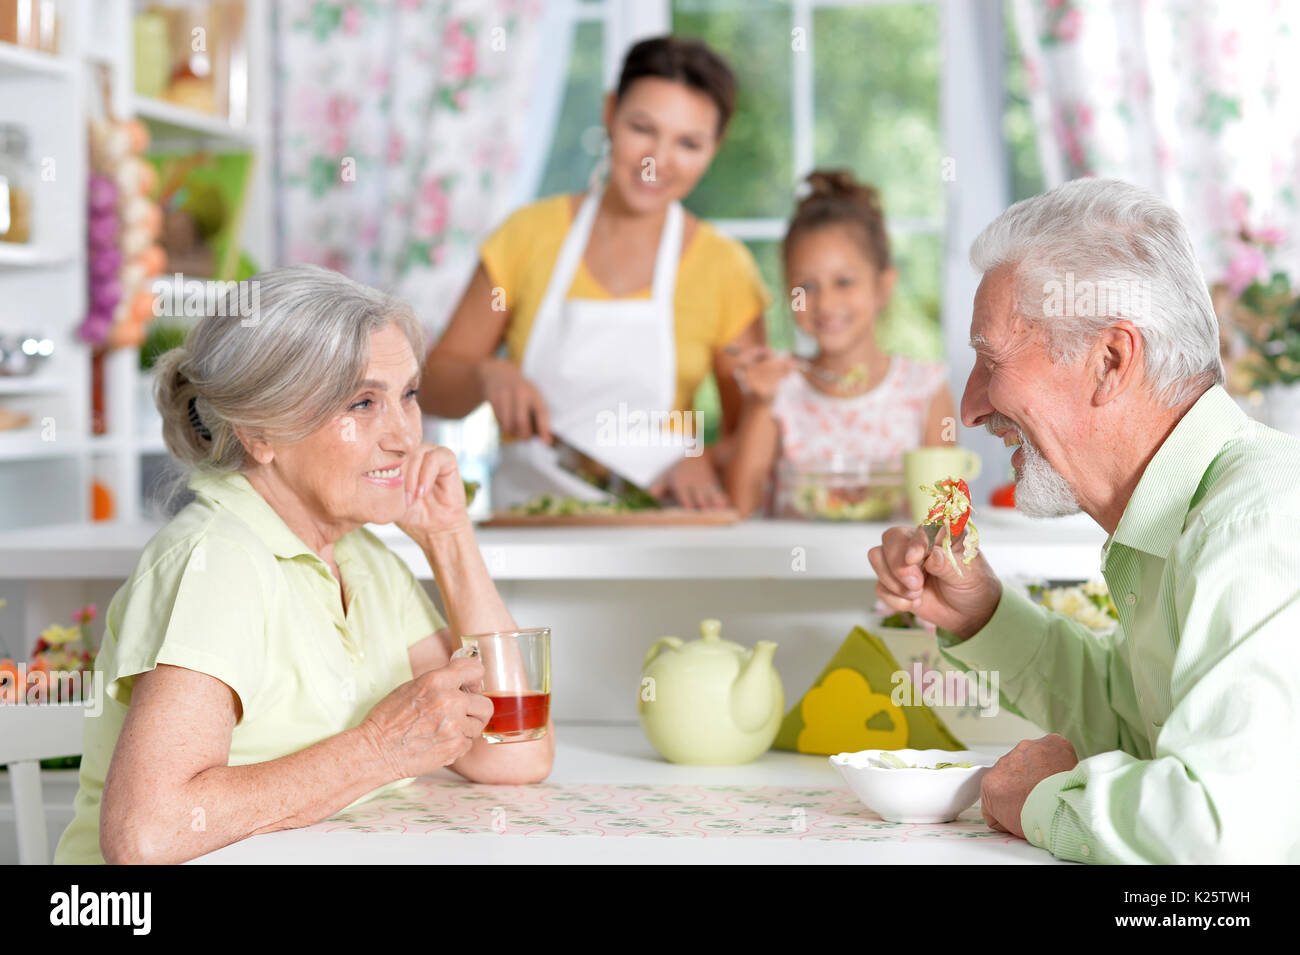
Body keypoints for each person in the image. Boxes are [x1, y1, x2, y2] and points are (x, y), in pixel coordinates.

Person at [55, 265, 553, 865]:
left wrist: (449, 538)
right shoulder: (217, 561)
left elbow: (511, 754)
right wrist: (380, 748)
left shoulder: (362, 558)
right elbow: (148, 834)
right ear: (262, 431)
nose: (402, 435)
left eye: (409, 395)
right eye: (362, 402)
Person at [869, 178, 1300, 864]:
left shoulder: (1257, 523)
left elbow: (1220, 832)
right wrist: (980, 613)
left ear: (1110, 360)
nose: (972, 407)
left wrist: (1039, 798)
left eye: (991, 360)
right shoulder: (1187, 511)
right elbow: (1138, 726)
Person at [419, 35, 770, 510]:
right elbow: (433, 389)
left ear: (714, 148)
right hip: (528, 532)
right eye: (642, 128)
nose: (657, 160)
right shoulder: (527, 235)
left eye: (688, 143)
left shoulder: (725, 268)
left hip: (656, 540)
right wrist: (487, 374)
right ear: (610, 113)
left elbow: (751, 429)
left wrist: (701, 456)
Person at [725, 170, 956, 517]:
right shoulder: (779, 390)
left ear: (883, 285)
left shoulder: (925, 389)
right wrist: (760, 402)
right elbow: (741, 505)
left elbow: (943, 513)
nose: (826, 304)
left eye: (844, 282)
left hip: (899, 570)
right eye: (808, 286)